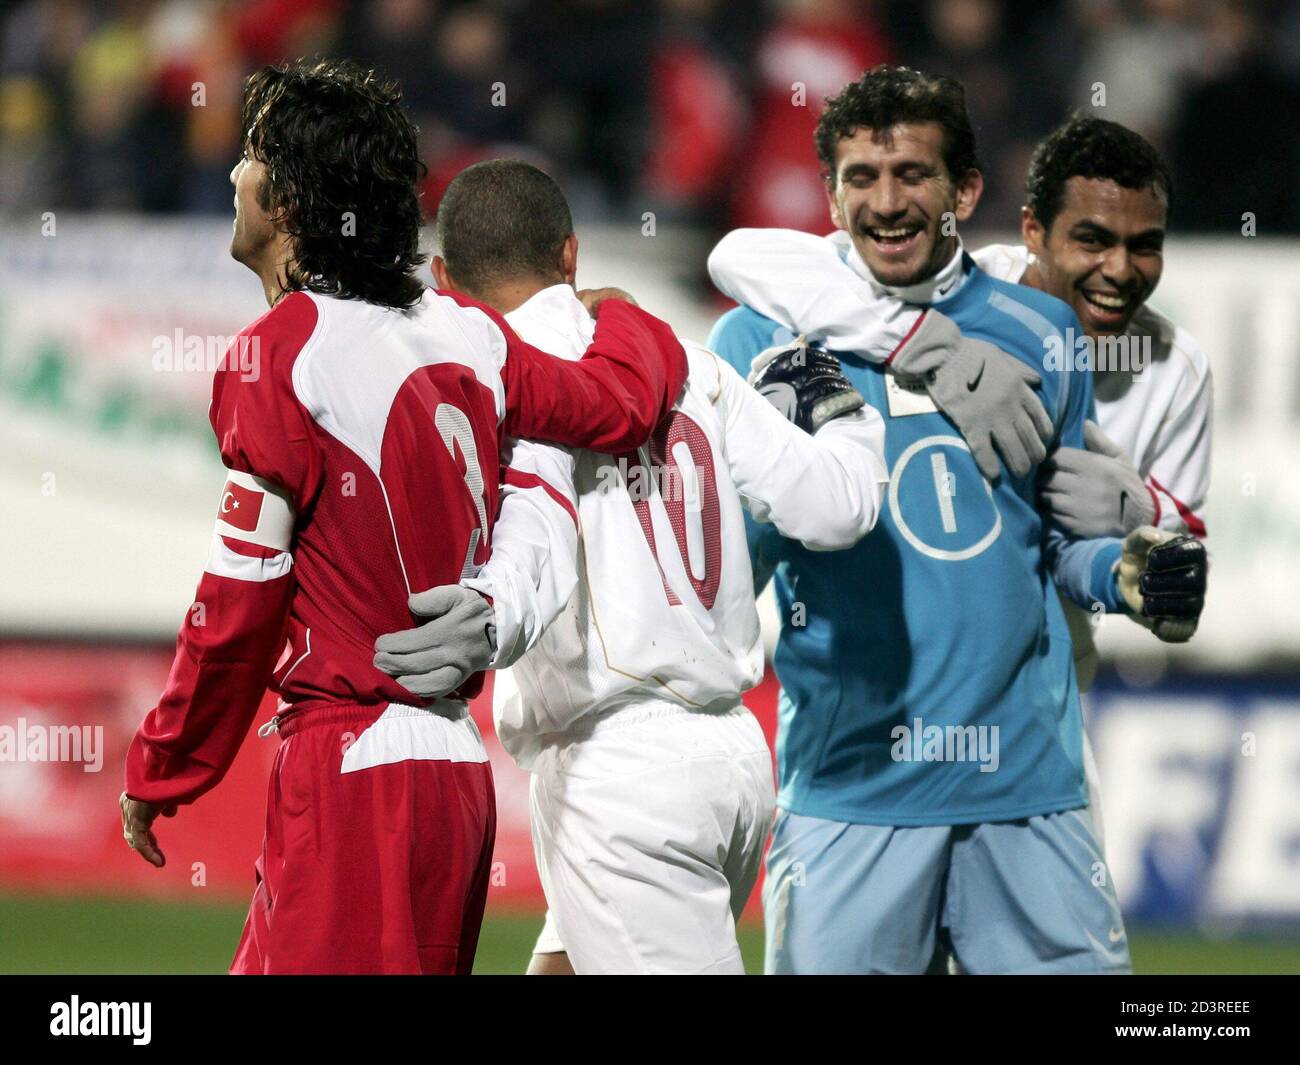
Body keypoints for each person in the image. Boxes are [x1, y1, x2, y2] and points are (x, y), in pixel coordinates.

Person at [117, 59, 689, 975]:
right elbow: (618, 407)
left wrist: (162, 764)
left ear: (292, 203)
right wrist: (626, 318)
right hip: (455, 771)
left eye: (254, 157)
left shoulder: (281, 354)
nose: (233, 175)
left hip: (351, 773)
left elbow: (238, 603)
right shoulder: (464, 331)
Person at [706, 66, 1206, 974]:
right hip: (851, 787)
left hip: (1025, 788)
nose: (887, 202)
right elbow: (733, 557)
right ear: (830, 195)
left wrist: (1126, 572)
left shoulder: (1043, 332)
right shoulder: (757, 342)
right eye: (862, 178)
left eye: (914, 176)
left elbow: (1054, 541)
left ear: (965, 191)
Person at [371, 158, 890, 974]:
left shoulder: (488, 388)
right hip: (733, 755)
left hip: (617, 772)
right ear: (571, 256)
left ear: (443, 275)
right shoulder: (688, 361)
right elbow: (840, 508)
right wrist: (842, 412)